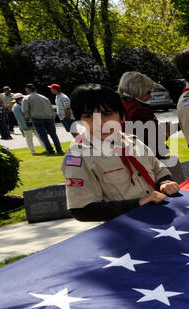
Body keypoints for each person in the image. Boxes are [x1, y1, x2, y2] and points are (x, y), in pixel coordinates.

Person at [61, 84, 178, 222]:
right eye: (89, 116)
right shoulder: (78, 156)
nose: (100, 122)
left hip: (160, 214)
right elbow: (82, 210)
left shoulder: (132, 141)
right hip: (126, 228)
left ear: (122, 116)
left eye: (107, 114)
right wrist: (138, 203)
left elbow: (158, 170)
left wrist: (164, 183)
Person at [119, 70, 181, 181]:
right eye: (148, 91)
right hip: (152, 160)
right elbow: (155, 140)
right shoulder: (140, 111)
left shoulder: (119, 107)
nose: (150, 95)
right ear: (138, 91)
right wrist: (168, 131)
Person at [22, 83, 63, 155]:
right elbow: (51, 109)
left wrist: (27, 119)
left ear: (28, 90)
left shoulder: (26, 98)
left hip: (37, 118)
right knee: (53, 135)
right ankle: (59, 149)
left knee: (43, 136)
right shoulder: (44, 97)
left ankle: (50, 150)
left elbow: (25, 110)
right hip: (49, 118)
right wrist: (53, 118)